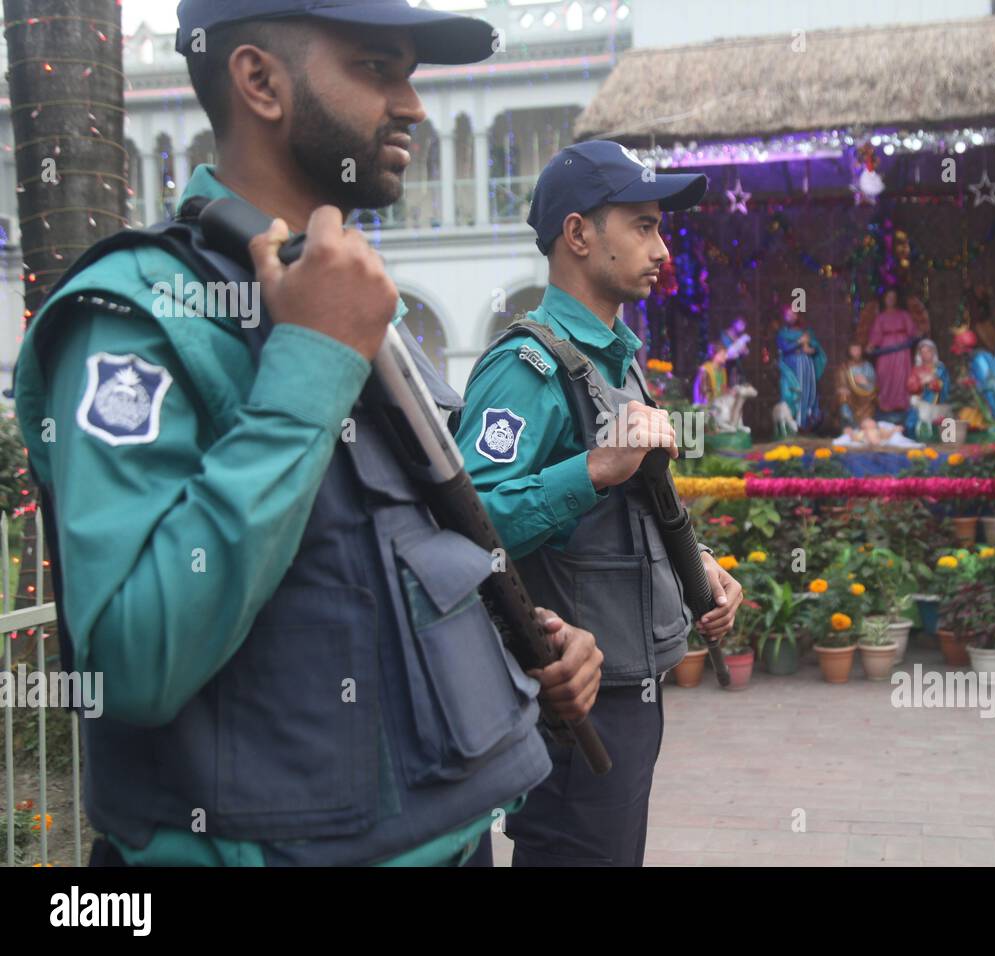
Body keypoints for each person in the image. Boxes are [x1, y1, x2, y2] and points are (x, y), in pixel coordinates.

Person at [12, 0, 603, 867]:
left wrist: (523, 647)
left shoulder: (345, 292)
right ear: (258, 79)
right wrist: (311, 364)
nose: (412, 105)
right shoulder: (137, 314)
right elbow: (129, 665)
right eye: (375, 67)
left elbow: (377, 560)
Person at [454, 140, 743, 866]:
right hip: (574, 701)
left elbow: (627, 513)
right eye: (642, 225)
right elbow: (466, 527)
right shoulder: (526, 367)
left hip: (627, 689)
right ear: (579, 234)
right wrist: (595, 467)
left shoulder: (618, 359)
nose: (661, 247)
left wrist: (699, 569)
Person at [860, 289, 926, 424]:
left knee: (901, 376)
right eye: (888, 297)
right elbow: (876, 335)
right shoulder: (880, 317)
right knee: (884, 376)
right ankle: (885, 405)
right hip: (886, 349)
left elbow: (912, 331)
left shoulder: (904, 315)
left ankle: (901, 404)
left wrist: (917, 334)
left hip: (902, 351)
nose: (891, 299)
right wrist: (871, 345)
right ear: (884, 299)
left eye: (893, 297)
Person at [776, 305, 827, 431]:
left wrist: (812, 349)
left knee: (809, 392)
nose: (792, 316)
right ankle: (792, 424)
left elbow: (815, 346)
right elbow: (784, 348)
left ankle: (806, 423)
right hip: (792, 367)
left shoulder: (806, 330)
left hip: (807, 366)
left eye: (794, 313)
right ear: (784, 316)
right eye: (788, 314)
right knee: (793, 392)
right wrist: (798, 342)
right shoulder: (782, 333)